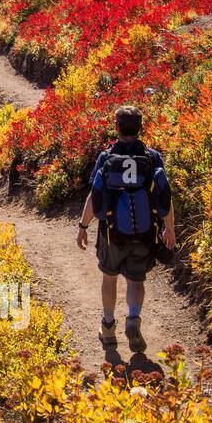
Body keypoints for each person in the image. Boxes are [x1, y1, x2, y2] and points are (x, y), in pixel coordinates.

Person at [76, 105, 175, 354]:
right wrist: (169, 229)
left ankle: (108, 327)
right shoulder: (152, 157)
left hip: (111, 232)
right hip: (144, 232)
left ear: (117, 127)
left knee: (109, 277)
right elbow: (165, 197)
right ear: (140, 127)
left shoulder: (106, 157)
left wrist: (83, 226)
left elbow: (94, 195)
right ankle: (133, 318)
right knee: (135, 280)